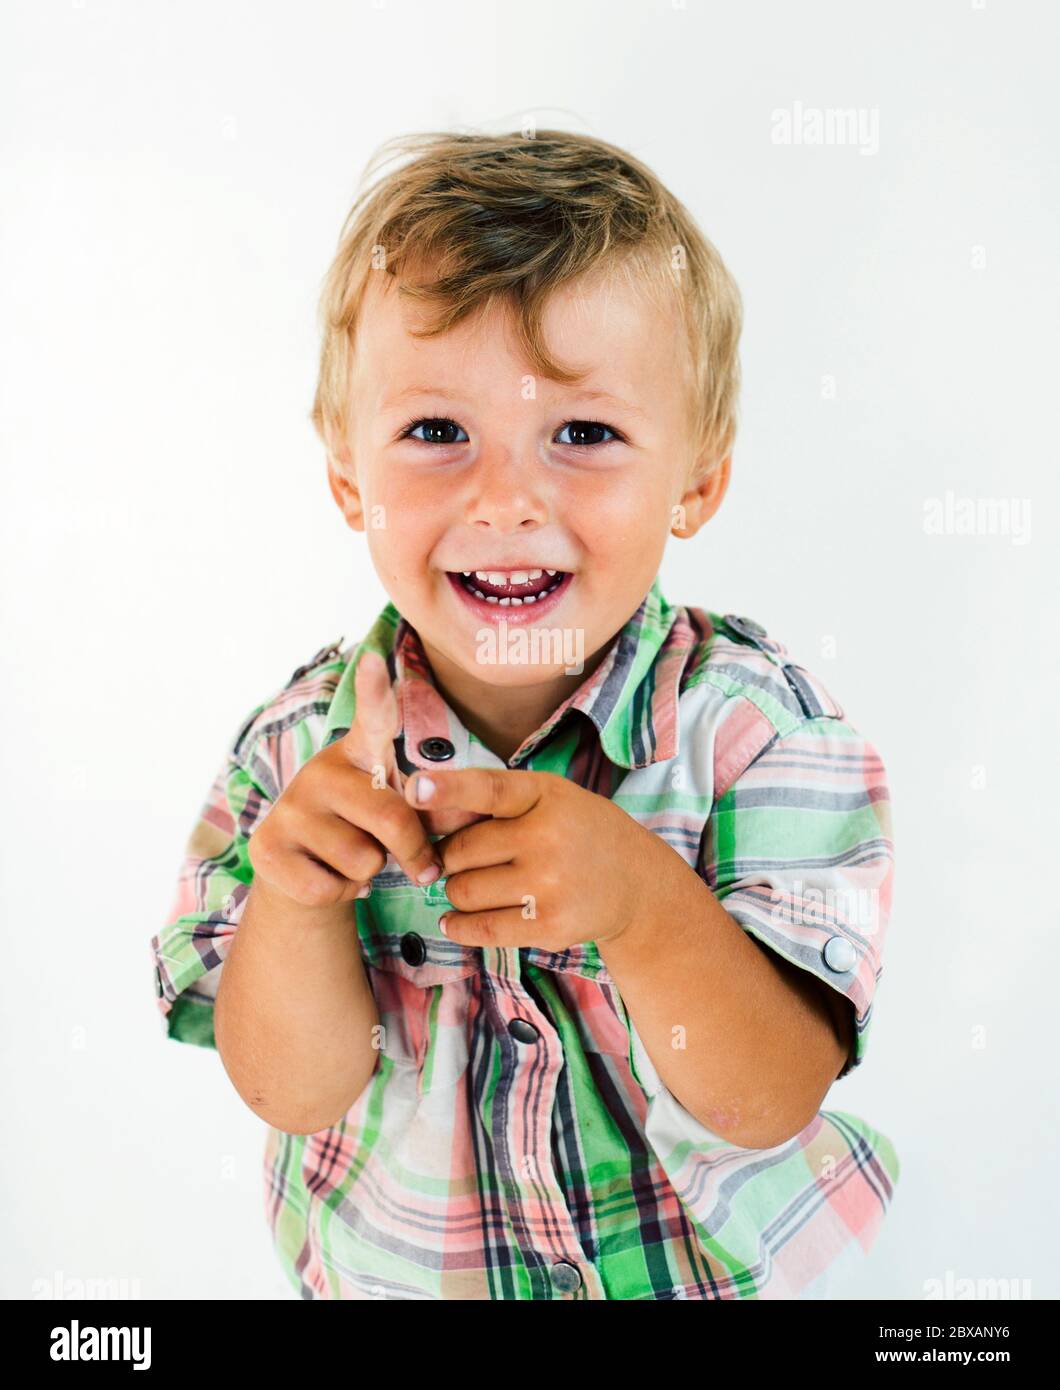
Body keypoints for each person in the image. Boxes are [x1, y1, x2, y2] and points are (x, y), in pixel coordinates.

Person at [151, 129, 899, 1300]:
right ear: (348, 475)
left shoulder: (753, 730)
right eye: (437, 432)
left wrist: (644, 907)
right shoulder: (298, 750)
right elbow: (290, 1092)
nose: (506, 499)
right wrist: (295, 904)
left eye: (585, 434)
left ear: (696, 479)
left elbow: (767, 1096)